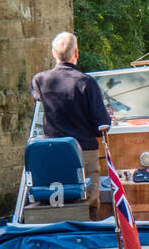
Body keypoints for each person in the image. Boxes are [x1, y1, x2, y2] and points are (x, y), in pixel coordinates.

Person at [30, 32, 109, 217]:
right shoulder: (86, 83)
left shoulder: (39, 80)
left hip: (53, 152)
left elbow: (39, 100)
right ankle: (88, 231)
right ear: (77, 53)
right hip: (84, 152)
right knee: (88, 200)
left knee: (58, 200)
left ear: (53, 53)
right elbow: (102, 124)